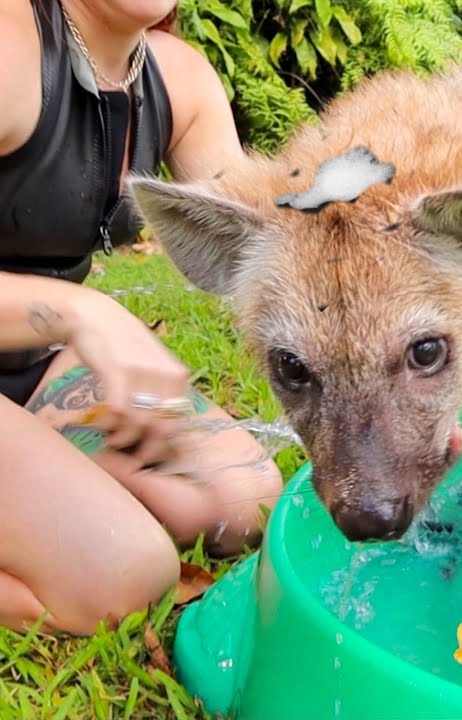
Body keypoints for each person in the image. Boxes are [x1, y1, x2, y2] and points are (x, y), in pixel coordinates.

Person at [0, 0, 283, 635]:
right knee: (123, 576)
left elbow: (270, 245)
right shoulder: (10, 45)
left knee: (241, 502)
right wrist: (80, 311)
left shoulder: (178, 79)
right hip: (55, 336)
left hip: (35, 367)